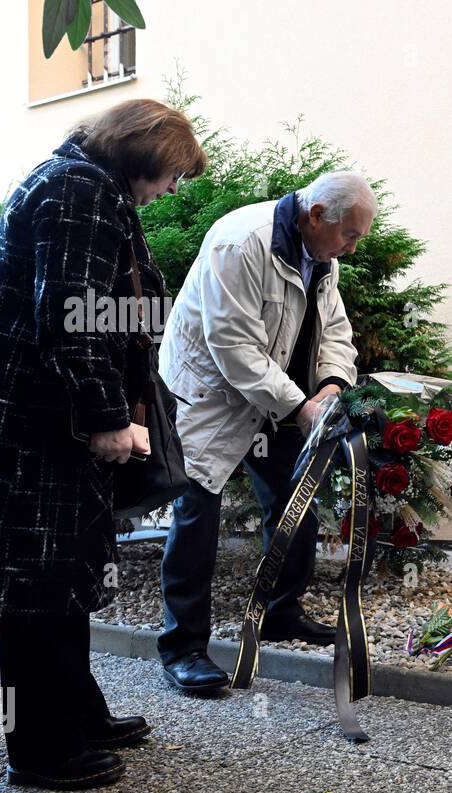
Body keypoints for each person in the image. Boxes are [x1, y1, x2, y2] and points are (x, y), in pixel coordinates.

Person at [0, 99, 207, 789]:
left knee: (62, 573)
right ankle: (41, 748)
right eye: (172, 174)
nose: (172, 189)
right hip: (27, 417)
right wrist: (108, 416)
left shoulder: (85, 183)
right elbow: (71, 318)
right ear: (145, 152)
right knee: (36, 583)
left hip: (34, 409)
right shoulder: (78, 190)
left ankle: (75, 711)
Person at [156, 171, 374, 691]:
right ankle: (182, 648)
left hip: (281, 392)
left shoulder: (323, 257)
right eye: (350, 234)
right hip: (212, 393)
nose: (352, 247)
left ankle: (281, 610)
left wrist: (332, 384)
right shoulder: (238, 242)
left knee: (294, 492)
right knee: (197, 505)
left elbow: (335, 330)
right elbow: (233, 347)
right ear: (316, 214)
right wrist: (300, 405)